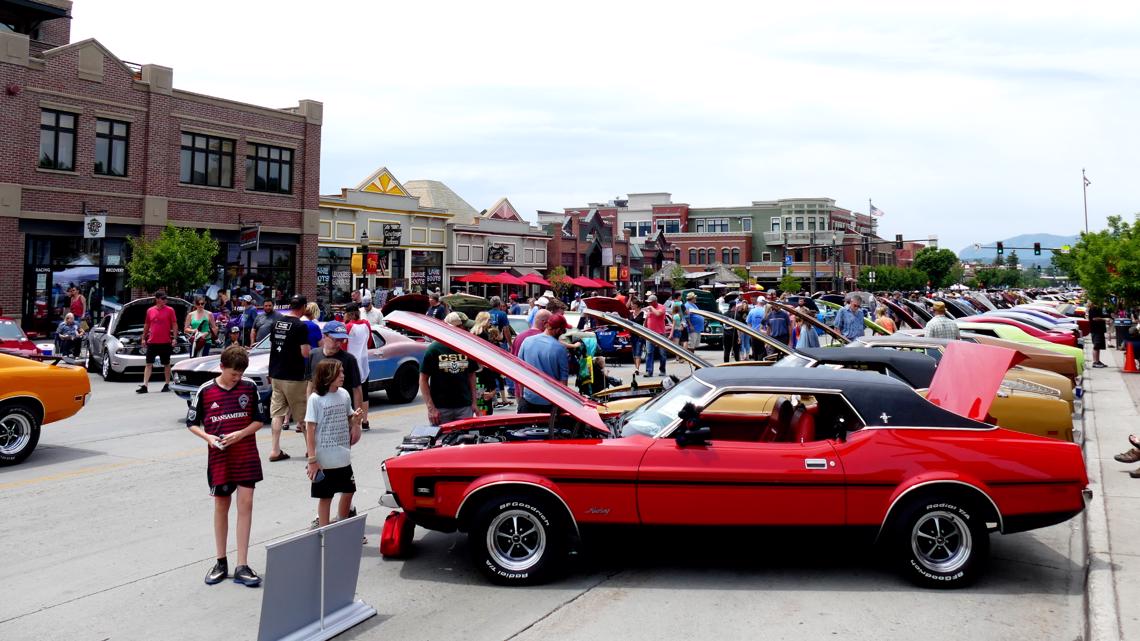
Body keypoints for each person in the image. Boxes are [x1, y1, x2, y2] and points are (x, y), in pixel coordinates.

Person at [186, 345, 266, 587]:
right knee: (222, 506)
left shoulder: (249, 387)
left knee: (246, 505)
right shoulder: (206, 390)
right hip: (219, 458)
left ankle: (242, 564)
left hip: (246, 454)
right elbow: (192, 423)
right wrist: (208, 438)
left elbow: (259, 420)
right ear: (221, 367)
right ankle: (221, 561)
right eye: (233, 374)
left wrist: (240, 434)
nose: (237, 378)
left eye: (240, 374)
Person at [305, 359, 364, 528]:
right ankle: (324, 531)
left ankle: (341, 526)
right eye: (340, 373)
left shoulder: (344, 394)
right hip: (324, 459)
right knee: (326, 497)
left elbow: (349, 419)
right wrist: (312, 459)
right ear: (328, 375)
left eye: (343, 372)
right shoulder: (315, 399)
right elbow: (310, 429)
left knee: (349, 491)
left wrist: (356, 419)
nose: (343, 376)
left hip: (343, 456)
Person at [267, 296, 312, 462]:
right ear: (303, 307)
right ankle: (310, 449)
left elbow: (273, 347)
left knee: (277, 413)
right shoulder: (300, 326)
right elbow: (305, 353)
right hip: (294, 376)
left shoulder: (276, 323)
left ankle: (274, 449)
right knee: (304, 414)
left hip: (276, 374)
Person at [420, 312, 478, 425]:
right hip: (441, 409)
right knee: (442, 441)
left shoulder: (467, 348)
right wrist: (431, 408)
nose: (466, 330)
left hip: (464, 407)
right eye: (463, 327)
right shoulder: (434, 349)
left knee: (466, 441)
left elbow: (471, 375)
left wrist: (474, 403)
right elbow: (423, 380)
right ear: (455, 328)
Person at [517, 313, 571, 413]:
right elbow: (563, 382)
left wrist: (522, 396)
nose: (563, 333)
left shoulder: (527, 341)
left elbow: (520, 371)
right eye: (563, 330)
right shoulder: (560, 349)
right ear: (558, 330)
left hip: (529, 398)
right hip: (551, 402)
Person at [137, 291, 178, 393]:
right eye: (163, 299)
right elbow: (146, 325)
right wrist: (143, 338)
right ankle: (145, 385)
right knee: (148, 363)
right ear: (157, 299)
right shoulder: (150, 311)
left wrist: (175, 338)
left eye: (165, 298)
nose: (165, 300)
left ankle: (167, 384)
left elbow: (174, 324)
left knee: (166, 363)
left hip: (165, 342)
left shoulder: (170, 310)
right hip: (152, 341)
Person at [343, 304, 372, 430]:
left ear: (348, 314)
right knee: (364, 394)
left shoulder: (348, 327)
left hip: (351, 363)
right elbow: (369, 341)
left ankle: (351, 421)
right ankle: (365, 421)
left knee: (349, 393)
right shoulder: (366, 324)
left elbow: (343, 346)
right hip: (364, 362)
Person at [643, 294, 668, 377]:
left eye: (650, 302)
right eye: (648, 302)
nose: (649, 304)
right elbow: (647, 319)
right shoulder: (650, 309)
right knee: (649, 352)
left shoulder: (661, 307)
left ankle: (662, 370)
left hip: (660, 333)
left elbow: (658, 314)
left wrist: (651, 308)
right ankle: (649, 371)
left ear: (655, 301)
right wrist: (644, 329)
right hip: (650, 334)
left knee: (662, 353)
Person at [629, 298, 646, 374]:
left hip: (639, 335)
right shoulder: (630, 314)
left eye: (633, 305)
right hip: (632, 335)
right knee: (634, 352)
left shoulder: (643, 313)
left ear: (637, 305)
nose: (631, 306)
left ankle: (637, 369)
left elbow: (645, 325)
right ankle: (636, 367)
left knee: (638, 351)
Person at [1088, 303, 1108, 368]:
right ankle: (1095, 362)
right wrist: (1105, 319)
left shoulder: (1098, 308)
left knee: (1098, 346)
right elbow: (1094, 318)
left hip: (1099, 329)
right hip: (1096, 330)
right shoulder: (1093, 308)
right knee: (1096, 346)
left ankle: (1098, 361)